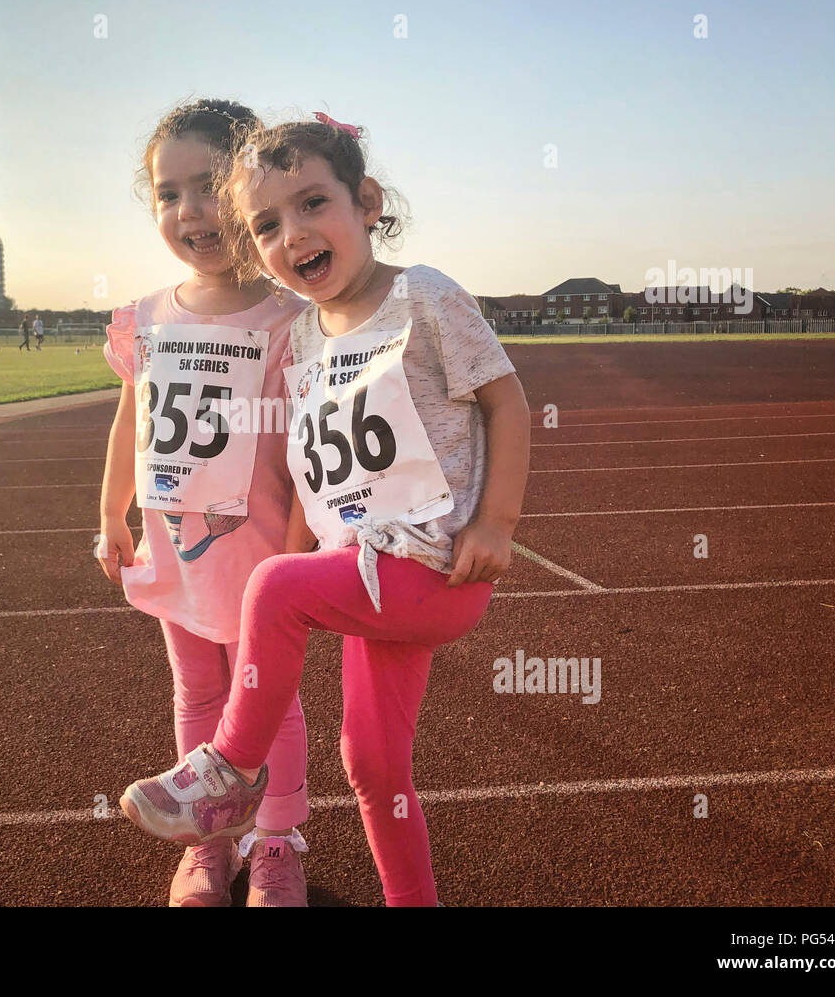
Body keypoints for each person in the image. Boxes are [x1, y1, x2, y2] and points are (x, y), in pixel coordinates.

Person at [120, 113, 532, 907]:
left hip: (435, 565)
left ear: (367, 201)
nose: (292, 232)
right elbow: (317, 466)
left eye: (312, 203)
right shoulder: (304, 334)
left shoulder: (425, 296)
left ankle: (231, 773)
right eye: (267, 223)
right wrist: (306, 542)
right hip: (364, 572)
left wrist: (498, 524)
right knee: (373, 765)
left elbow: (507, 401)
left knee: (271, 589)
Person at [98, 99, 313, 906]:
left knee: (270, 707)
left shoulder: (292, 316)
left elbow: (304, 449)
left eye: (210, 186)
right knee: (196, 695)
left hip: (262, 558)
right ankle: (209, 842)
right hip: (179, 554)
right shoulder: (147, 318)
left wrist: (296, 551)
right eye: (167, 193)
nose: (189, 210)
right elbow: (133, 418)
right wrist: (111, 511)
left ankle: (279, 840)